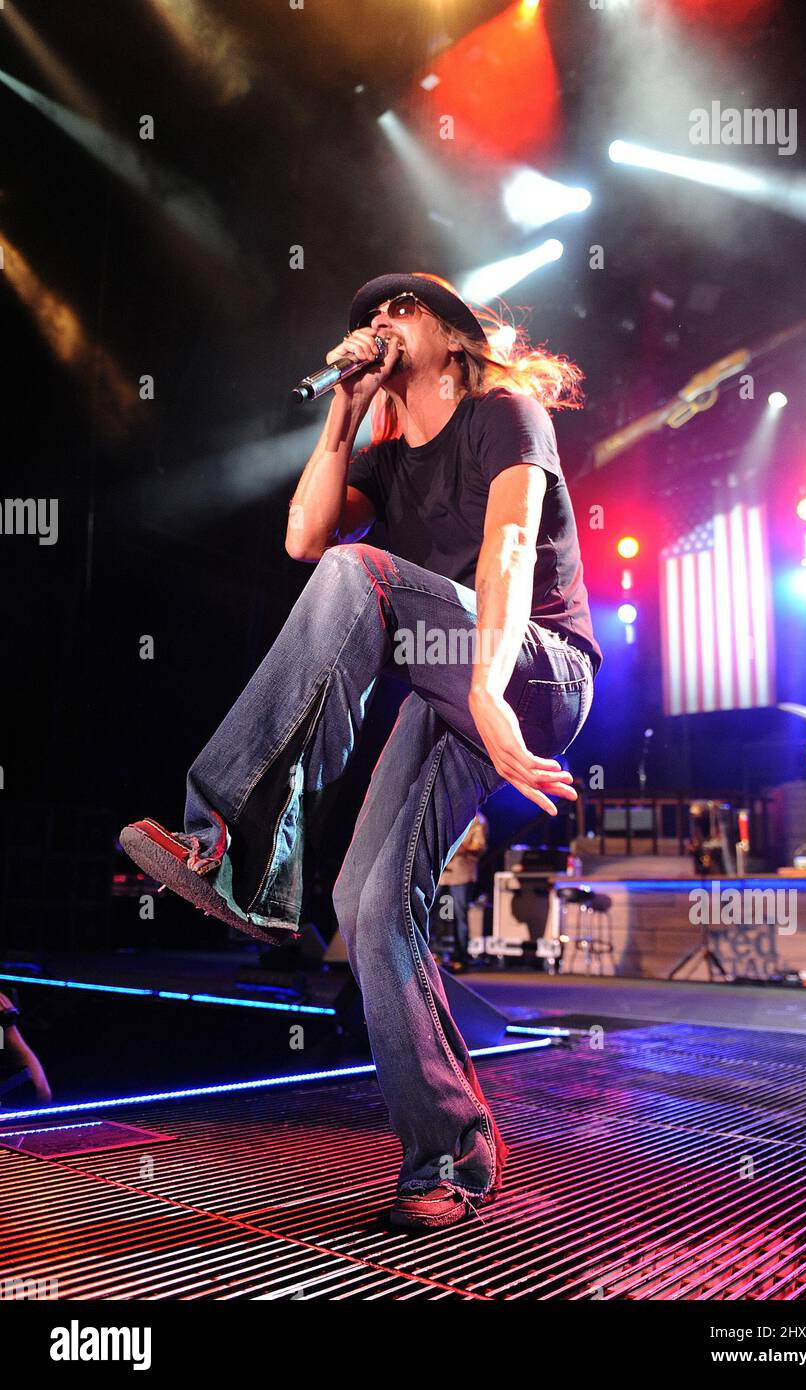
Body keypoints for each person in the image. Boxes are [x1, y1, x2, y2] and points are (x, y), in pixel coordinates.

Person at [120, 272, 601, 1230]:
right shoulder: (385, 456)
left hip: (535, 669)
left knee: (363, 571)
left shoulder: (505, 415)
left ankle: (232, 843)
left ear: (454, 337)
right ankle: (450, 1153)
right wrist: (343, 415)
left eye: (399, 311)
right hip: (454, 682)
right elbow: (302, 535)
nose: (377, 323)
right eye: (366, 318)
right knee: (366, 904)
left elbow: (506, 553)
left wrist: (488, 695)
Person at [437, 810, 488, 970]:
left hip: (461, 872)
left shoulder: (476, 819)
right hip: (440, 872)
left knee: (459, 913)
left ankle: (461, 956)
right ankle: (433, 953)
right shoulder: (444, 813)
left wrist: (460, 847)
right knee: (431, 911)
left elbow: (479, 846)